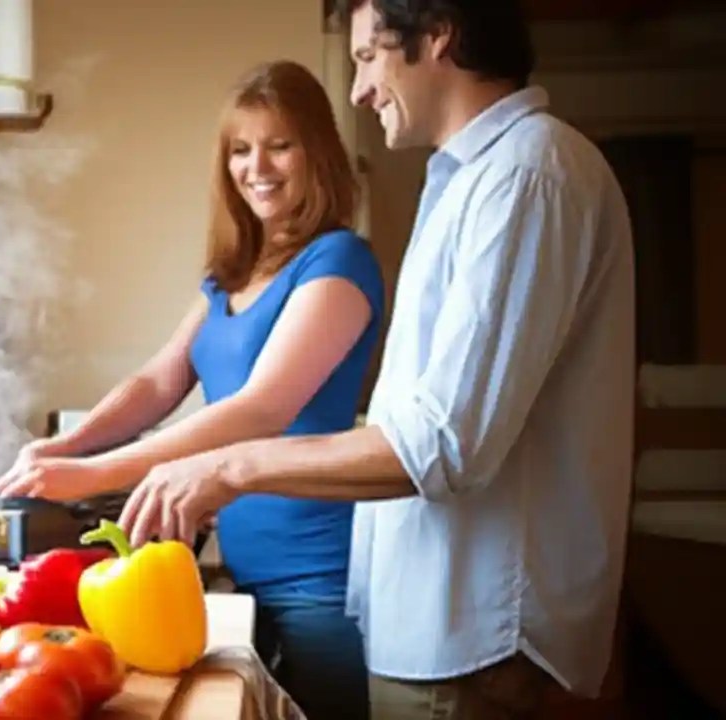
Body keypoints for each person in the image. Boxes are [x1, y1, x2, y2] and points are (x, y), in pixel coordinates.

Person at [114, 1, 636, 719]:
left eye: (367, 57)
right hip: (434, 626)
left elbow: (444, 445)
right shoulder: (467, 179)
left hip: (475, 636)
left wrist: (228, 467)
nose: (359, 90)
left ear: (439, 37)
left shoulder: (526, 175)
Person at [0, 60, 385, 720]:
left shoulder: (338, 259)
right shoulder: (229, 276)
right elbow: (158, 380)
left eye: (279, 144)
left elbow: (264, 407)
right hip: (246, 573)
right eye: (240, 149)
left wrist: (92, 475)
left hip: (322, 581)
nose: (257, 166)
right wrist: (64, 445)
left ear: (317, 152)